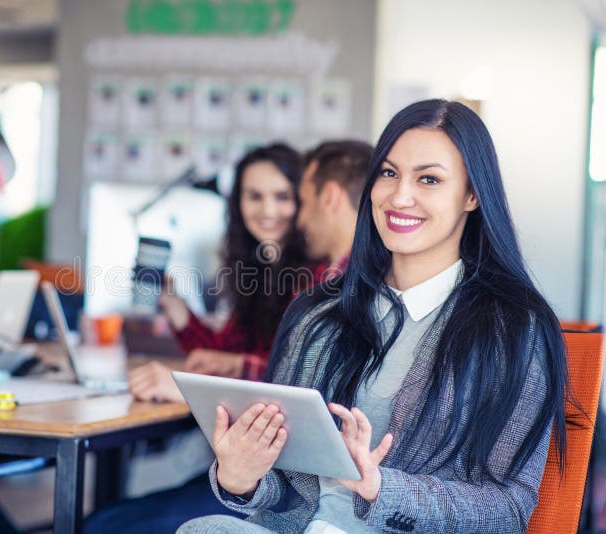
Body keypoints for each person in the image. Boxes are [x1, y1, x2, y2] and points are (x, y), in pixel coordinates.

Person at [180, 99, 569, 533]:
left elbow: (509, 510)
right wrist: (240, 477)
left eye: (429, 179)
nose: (399, 196)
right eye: (388, 173)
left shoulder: (514, 329)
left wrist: (382, 489)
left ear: (472, 195)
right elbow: (283, 483)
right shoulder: (318, 314)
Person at [84, 143, 309, 533]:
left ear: (303, 201)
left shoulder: (312, 276)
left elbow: (286, 382)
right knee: (103, 519)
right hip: (244, 470)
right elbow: (222, 351)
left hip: (275, 481)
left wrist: (190, 388)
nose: (267, 210)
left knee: (105, 526)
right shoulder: (258, 269)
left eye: (281, 197)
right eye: (255, 196)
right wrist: (177, 309)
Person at [297, 140, 372, 282]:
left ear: (329, 198)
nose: (300, 221)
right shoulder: (318, 274)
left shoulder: (365, 284)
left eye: (304, 203)